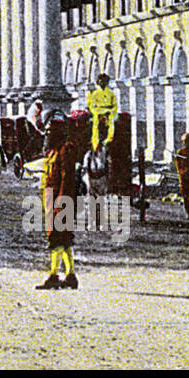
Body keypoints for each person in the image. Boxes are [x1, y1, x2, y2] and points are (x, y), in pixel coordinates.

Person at [37, 112, 89, 290]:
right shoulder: (53, 152)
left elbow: (67, 180)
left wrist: (61, 203)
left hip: (60, 202)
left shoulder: (65, 150)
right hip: (51, 202)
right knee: (61, 239)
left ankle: (54, 275)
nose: (48, 136)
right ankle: (70, 275)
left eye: (51, 133)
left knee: (57, 239)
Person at [86, 74, 118, 153]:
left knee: (113, 126)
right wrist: (100, 112)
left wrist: (110, 112)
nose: (103, 83)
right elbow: (91, 106)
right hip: (98, 115)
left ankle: (108, 141)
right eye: (101, 81)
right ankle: (95, 145)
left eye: (105, 82)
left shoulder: (111, 94)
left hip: (108, 116)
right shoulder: (94, 94)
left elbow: (114, 106)